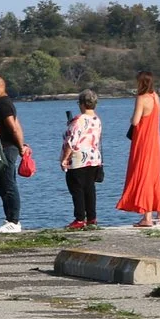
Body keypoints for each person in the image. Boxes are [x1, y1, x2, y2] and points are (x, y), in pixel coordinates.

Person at [117, 73, 160, 226]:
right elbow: (159, 113)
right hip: (155, 141)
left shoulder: (141, 98)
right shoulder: (155, 97)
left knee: (143, 175)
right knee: (155, 177)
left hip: (143, 142)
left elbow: (136, 120)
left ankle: (147, 218)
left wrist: (131, 119)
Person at [0, 73, 26, 234]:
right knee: (2, 183)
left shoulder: (3, 105)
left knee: (8, 183)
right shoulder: (3, 104)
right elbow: (17, 125)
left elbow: (13, 126)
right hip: (7, 147)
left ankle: (14, 220)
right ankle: (10, 217)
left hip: (8, 147)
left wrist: (20, 146)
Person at [61, 93, 105, 229]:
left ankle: (79, 218)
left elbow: (72, 141)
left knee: (77, 189)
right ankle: (92, 217)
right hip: (93, 158)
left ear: (82, 104)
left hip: (79, 158)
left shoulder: (78, 120)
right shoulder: (96, 119)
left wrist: (65, 158)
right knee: (90, 189)